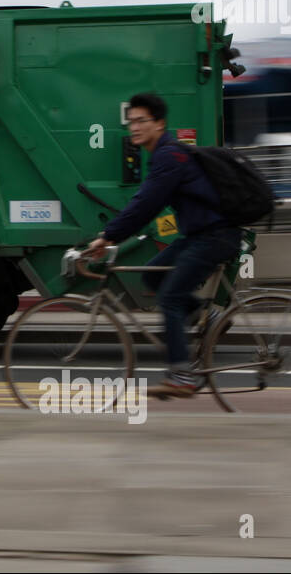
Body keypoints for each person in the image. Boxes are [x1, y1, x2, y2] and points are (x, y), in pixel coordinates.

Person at [85, 92, 242, 397]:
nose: (134, 127)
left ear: (159, 124)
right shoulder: (164, 155)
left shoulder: (170, 156)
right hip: (201, 235)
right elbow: (147, 202)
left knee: (170, 298)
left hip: (215, 236)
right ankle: (207, 316)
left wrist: (108, 237)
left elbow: (146, 204)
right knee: (153, 273)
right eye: (131, 122)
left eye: (141, 121)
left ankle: (182, 376)